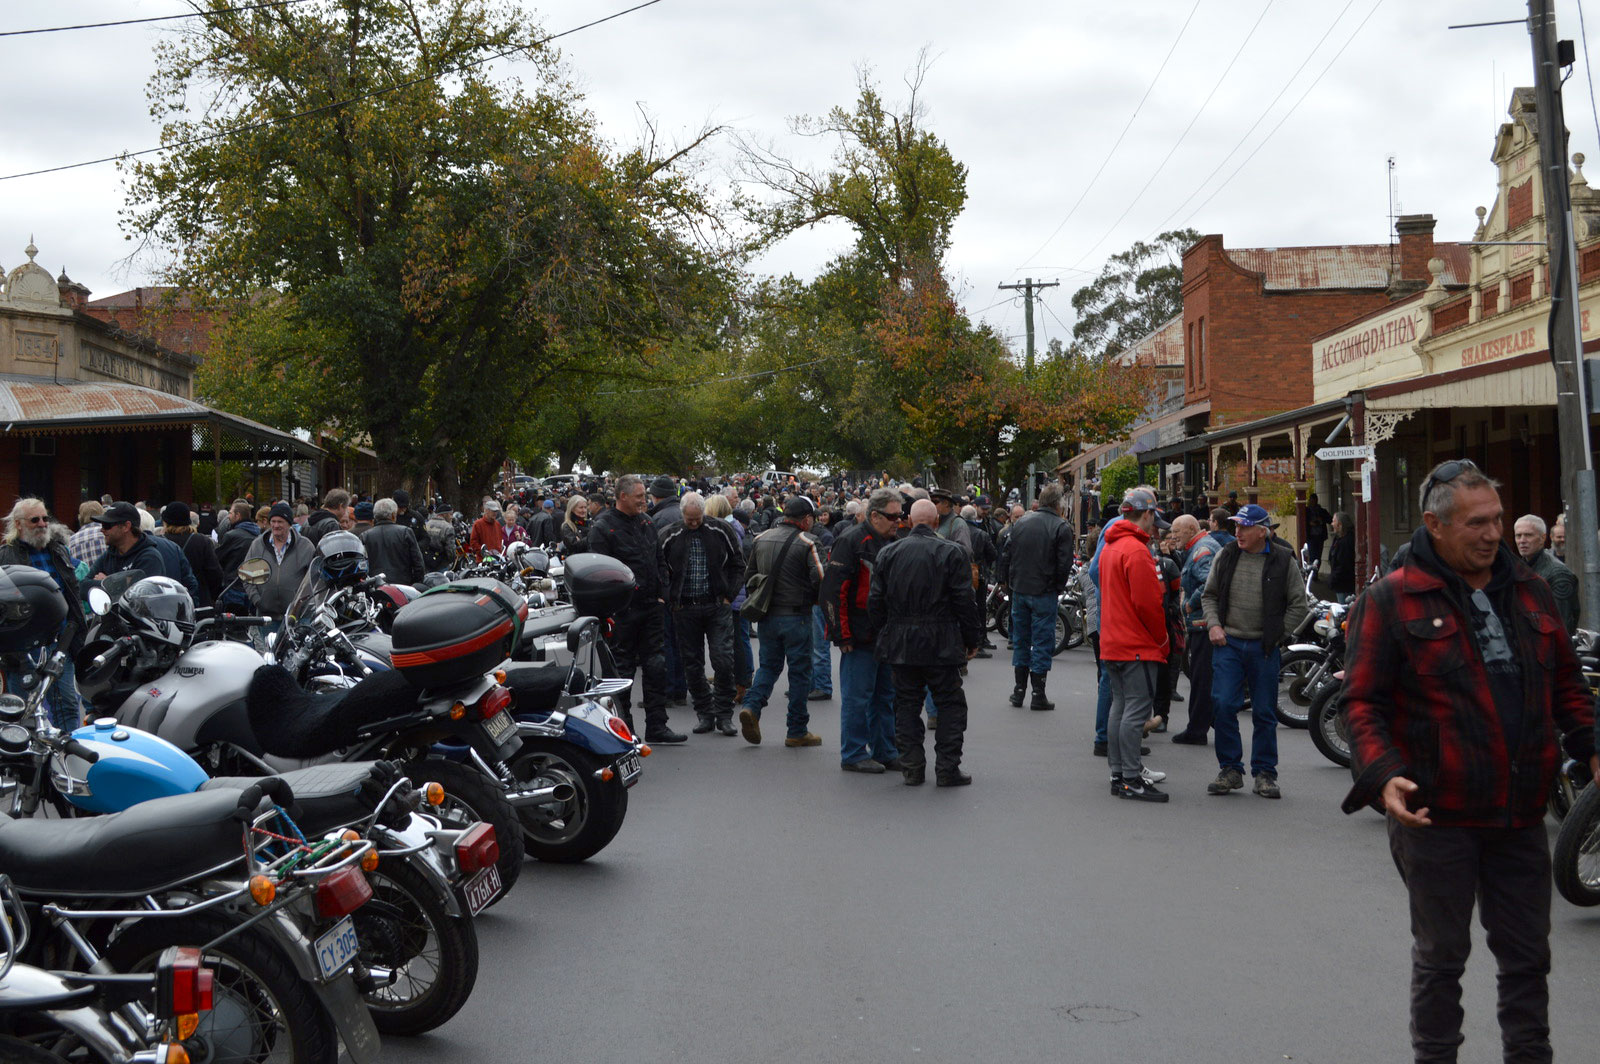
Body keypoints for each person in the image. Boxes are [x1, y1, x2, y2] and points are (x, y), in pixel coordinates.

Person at [1341, 458, 1597, 1064]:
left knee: (1528, 958)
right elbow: (1361, 703)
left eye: (1498, 521)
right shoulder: (1391, 599)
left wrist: (1592, 747)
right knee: (1441, 960)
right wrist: (1382, 775)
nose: (1492, 534)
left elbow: (1567, 686)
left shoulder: (1532, 590)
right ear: (1434, 524)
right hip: (1438, 818)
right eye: (1476, 523)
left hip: (1519, 816)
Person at [867, 499, 981, 786]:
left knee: (905, 704)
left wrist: (884, 633)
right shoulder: (951, 552)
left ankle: (912, 767)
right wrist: (972, 639)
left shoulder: (889, 553)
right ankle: (947, 767)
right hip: (940, 641)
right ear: (934, 522)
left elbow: (876, 601)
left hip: (902, 640)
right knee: (950, 705)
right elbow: (964, 600)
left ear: (908, 521)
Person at [1200, 503, 1309, 799]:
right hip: (1229, 643)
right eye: (1236, 526)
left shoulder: (1283, 560)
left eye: (1245, 527)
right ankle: (1230, 769)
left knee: (1264, 712)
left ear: (1263, 531)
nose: (1238, 532)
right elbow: (1209, 596)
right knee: (1222, 704)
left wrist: (1277, 635)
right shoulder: (1226, 555)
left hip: (1264, 647)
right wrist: (1213, 625)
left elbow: (1299, 605)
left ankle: (1265, 773)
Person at [588, 475, 684, 744]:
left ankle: (657, 726)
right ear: (623, 496)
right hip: (622, 612)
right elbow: (598, 572)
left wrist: (663, 594)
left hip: (651, 606)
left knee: (656, 666)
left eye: (645, 496)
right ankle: (625, 730)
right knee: (622, 672)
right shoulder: (603, 527)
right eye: (640, 496)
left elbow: (659, 560)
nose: (645, 500)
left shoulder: (647, 522)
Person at [820, 488, 905, 774]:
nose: (898, 521)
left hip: (885, 635)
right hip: (859, 636)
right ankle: (854, 753)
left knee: (885, 696)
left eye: (900, 516)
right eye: (893, 516)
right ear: (875, 515)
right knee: (858, 698)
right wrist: (841, 634)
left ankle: (885, 751)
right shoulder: (851, 541)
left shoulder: (892, 541)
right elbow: (832, 592)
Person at [1098, 489, 1171, 802]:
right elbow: (1148, 603)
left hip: (1113, 639)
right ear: (1148, 514)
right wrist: (1162, 639)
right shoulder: (1137, 550)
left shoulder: (1111, 546)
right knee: (1135, 710)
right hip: (1135, 643)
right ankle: (1131, 777)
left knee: (1119, 707)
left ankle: (1120, 773)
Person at [735, 496, 826, 748]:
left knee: (768, 666)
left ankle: (752, 707)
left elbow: (750, 575)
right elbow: (820, 577)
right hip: (797, 616)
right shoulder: (809, 541)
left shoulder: (760, 539)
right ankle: (797, 729)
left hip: (767, 615)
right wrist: (815, 600)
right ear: (806, 520)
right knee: (800, 673)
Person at [659, 492, 743, 736]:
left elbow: (738, 563)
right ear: (683, 514)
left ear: (703, 513)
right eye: (689, 519)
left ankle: (724, 714)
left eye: (697, 519)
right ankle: (705, 713)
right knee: (692, 664)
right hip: (684, 607)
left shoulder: (720, 530)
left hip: (717, 604)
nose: (694, 523)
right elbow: (659, 568)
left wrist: (729, 595)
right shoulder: (669, 534)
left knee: (723, 660)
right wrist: (669, 596)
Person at [0, 498, 86, 730]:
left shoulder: (59, 551)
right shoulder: (6, 556)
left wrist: (76, 635)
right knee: (22, 711)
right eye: (35, 519)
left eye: (45, 518)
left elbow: (73, 595)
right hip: (22, 649)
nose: (42, 524)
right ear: (18, 524)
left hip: (60, 643)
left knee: (67, 704)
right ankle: (26, 763)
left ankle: (67, 758)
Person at [994, 483, 1075, 711]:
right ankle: (1038, 693)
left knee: (1021, 638)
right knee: (1041, 641)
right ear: (1059, 504)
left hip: (1021, 589)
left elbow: (1007, 554)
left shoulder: (1021, 523)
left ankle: (1019, 690)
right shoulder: (1061, 527)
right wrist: (1056, 587)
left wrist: (1010, 582)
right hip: (1043, 591)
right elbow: (1063, 564)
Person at [1173, 508, 1233, 744]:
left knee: (1201, 678)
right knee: (1203, 677)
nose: (1174, 535)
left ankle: (1197, 729)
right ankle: (1207, 723)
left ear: (1191, 529)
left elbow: (1210, 583)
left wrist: (1190, 602)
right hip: (1203, 623)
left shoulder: (1202, 551)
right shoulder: (1201, 547)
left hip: (1203, 623)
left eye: (1177, 531)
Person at [92, 501, 201, 600]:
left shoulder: (150, 556)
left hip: (152, 618)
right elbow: (84, 586)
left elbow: (140, 597)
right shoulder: (111, 553)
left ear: (126, 526)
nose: (102, 530)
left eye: (107, 525)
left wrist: (108, 583)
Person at [708, 494, 754, 700]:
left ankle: (740, 684)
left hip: (731, 594)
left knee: (734, 641)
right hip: (736, 593)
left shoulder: (726, 531)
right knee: (735, 640)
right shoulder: (734, 528)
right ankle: (738, 681)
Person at [241, 502, 316, 616]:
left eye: (280, 522)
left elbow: (314, 579)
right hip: (266, 616)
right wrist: (257, 600)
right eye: (273, 521)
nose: (276, 526)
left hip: (296, 617)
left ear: (289, 524)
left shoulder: (305, 546)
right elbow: (247, 576)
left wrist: (301, 603)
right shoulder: (257, 545)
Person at [1513, 513, 1578, 633]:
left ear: (1543, 538)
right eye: (1518, 536)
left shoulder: (1558, 574)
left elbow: (1561, 624)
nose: (1522, 541)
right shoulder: (1519, 568)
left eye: (1528, 535)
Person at [161, 501, 224, 607]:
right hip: (199, 601)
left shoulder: (160, 543)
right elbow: (215, 574)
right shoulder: (202, 541)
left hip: (167, 601)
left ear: (165, 521)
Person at [364, 498, 426, 585]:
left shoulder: (365, 536)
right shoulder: (405, 532)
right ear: (393, 515)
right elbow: (418, 562)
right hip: (402, 583)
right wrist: (416, 583)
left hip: (375, 584)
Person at [68, 501, 108, 571]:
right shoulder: (108, 534)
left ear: (80, 518)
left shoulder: (71, 541)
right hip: (108, 580)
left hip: (84, 581)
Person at [1328, 511, 1356, 602]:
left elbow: (1344, 564)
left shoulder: (1347, 541)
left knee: (1344, 609)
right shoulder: (1337, 539)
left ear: (1340, 524)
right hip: (1339, 584)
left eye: (1333, 521)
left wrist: (1333, 579)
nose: (1332, 524)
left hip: (1345, 585)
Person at [1302, 492, 1332, 575]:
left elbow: (1330, 520)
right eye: (1311, 500)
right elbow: (1302, 521)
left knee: (1318, 557)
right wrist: (1309, 523)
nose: (1312, 502)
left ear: (1316, 501)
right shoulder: (1306, 511)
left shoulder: (1321, 511)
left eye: (1314, 500)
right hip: (1311, 537)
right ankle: (1311, 573)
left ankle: (1315, 574)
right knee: (1311, 556)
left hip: (1320, 537)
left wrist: (1321, 520)